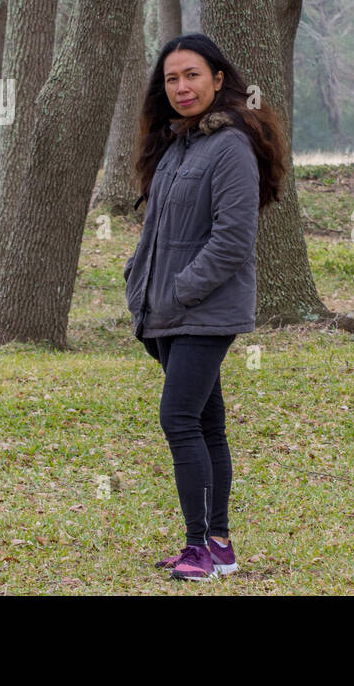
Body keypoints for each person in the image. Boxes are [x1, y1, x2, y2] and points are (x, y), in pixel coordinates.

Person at [122, 33, 288, 581]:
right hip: (169, 309)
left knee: (178, 417)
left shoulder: (231, 146)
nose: (181, 87)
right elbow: (157, 230)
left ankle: (197, 547)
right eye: (171, 78)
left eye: (192, 75)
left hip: (205, 310)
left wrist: (181, 290)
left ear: (218, 79)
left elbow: (234, 239)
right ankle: (219, 547)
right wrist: (138, 280)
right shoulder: (178, 145)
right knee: (207, 423)